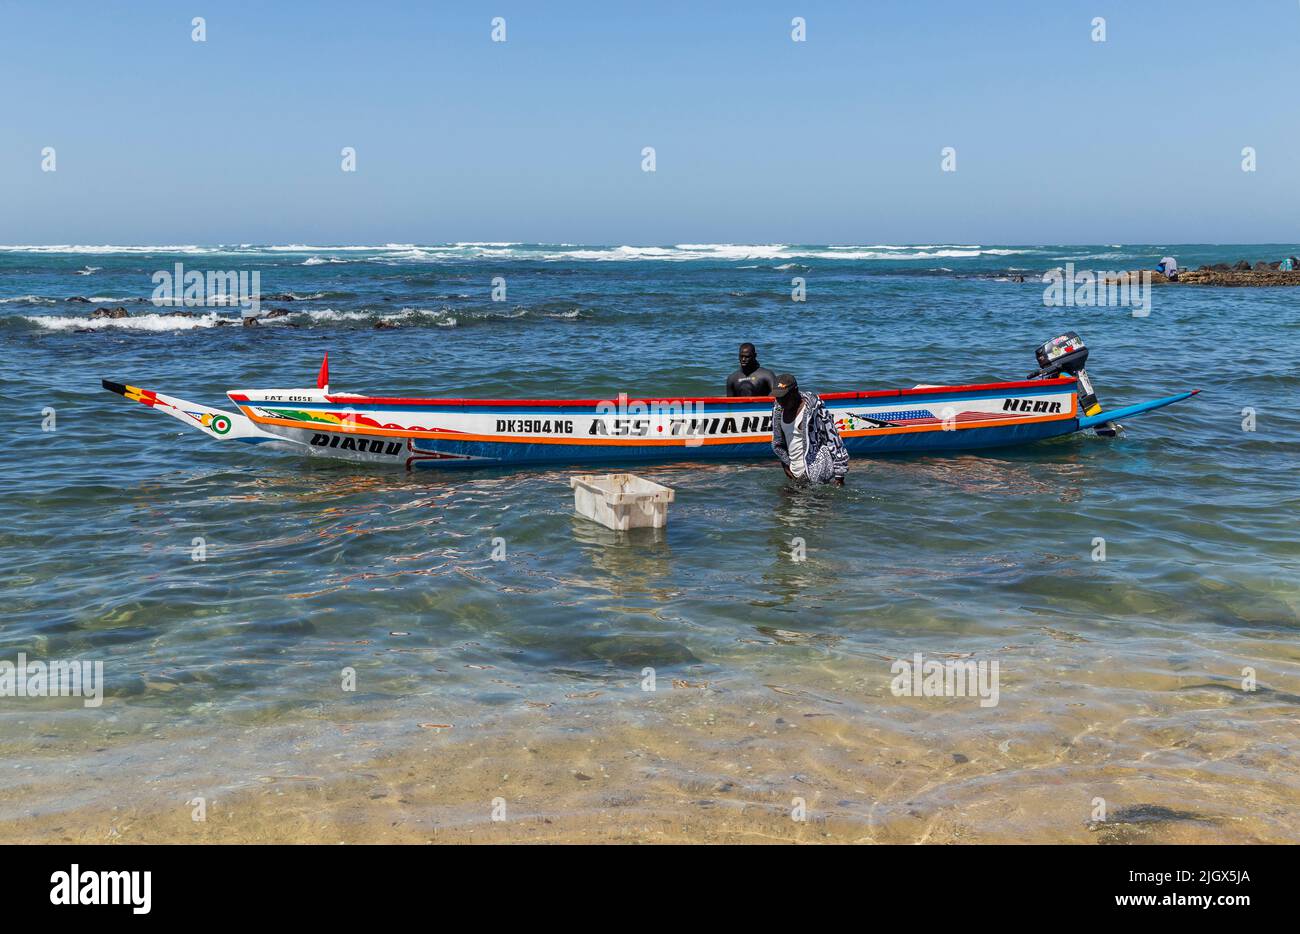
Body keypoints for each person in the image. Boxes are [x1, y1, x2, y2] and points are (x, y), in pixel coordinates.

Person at [770, 374, 848, 486]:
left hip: (815, 472)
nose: (781, 401)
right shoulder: (778, 410)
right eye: (778, 397)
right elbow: (778, 442)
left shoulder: (814, 410)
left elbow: (833, 438)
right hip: (793, 472)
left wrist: (840, 475)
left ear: (795, 391)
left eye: (784, 397)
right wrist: (785, 463)